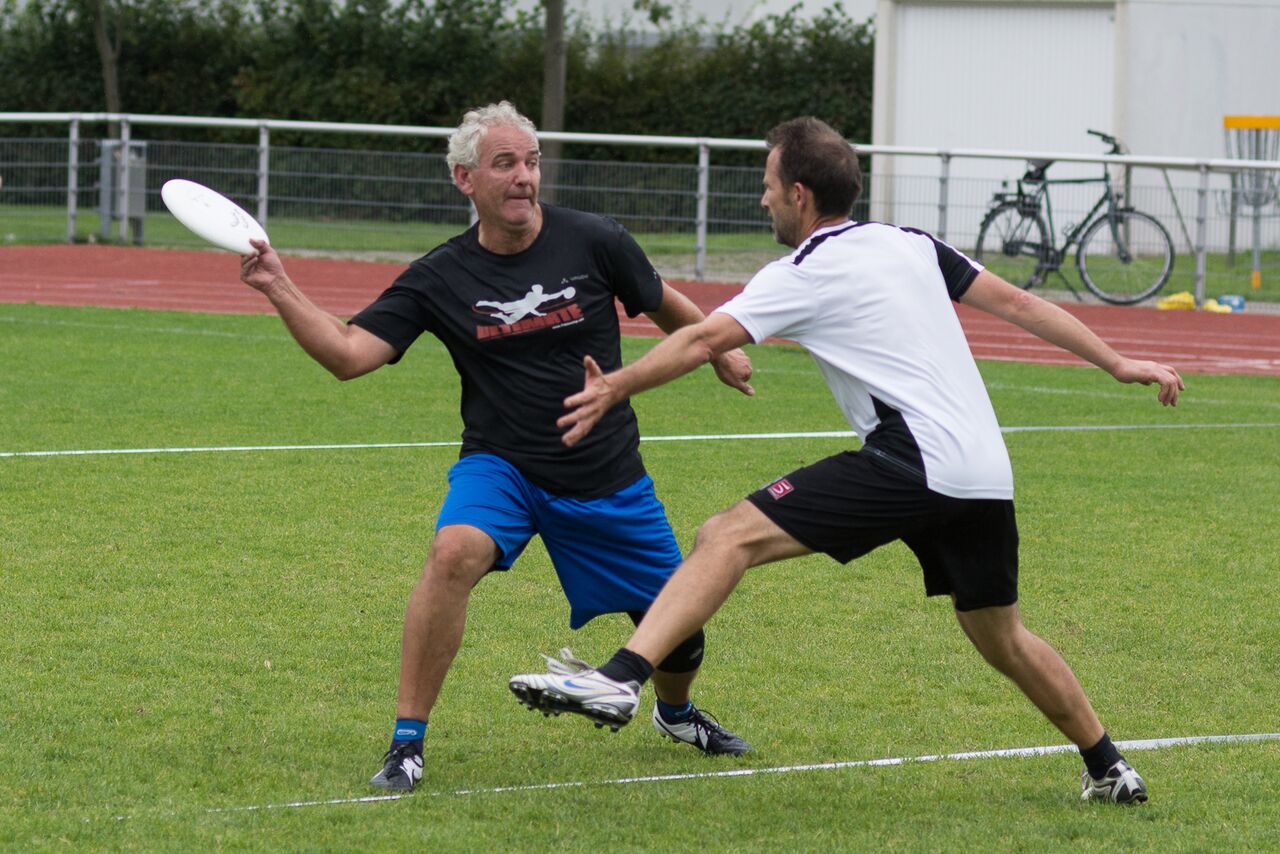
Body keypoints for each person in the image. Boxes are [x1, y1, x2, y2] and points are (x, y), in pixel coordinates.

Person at [508, 116, 1185, 805]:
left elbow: (702, 337)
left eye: (768, 187)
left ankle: (620, 677)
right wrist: (1116, 361)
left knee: (726, 534)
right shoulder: (909, 242)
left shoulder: (806, 269)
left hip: (912, 458)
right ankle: (1108, 766)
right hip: (982, 469)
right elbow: (1016, 301)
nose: (763, 201)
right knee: (1001, 633)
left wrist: (615, 386)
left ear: (800, 195)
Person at [238, 101, 757, 793]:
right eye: (504, 164)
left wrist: (720, 352)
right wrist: (278, 285)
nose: (523, 178)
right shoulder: (440, 275)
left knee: (680, 634)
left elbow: (668, 305)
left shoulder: (595, 240)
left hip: (605, 474)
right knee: (452, 551)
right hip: (502, 466)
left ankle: (676, 712)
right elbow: (349, 353)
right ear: (465, 179)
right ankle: (406, 743)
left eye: (532, 162)